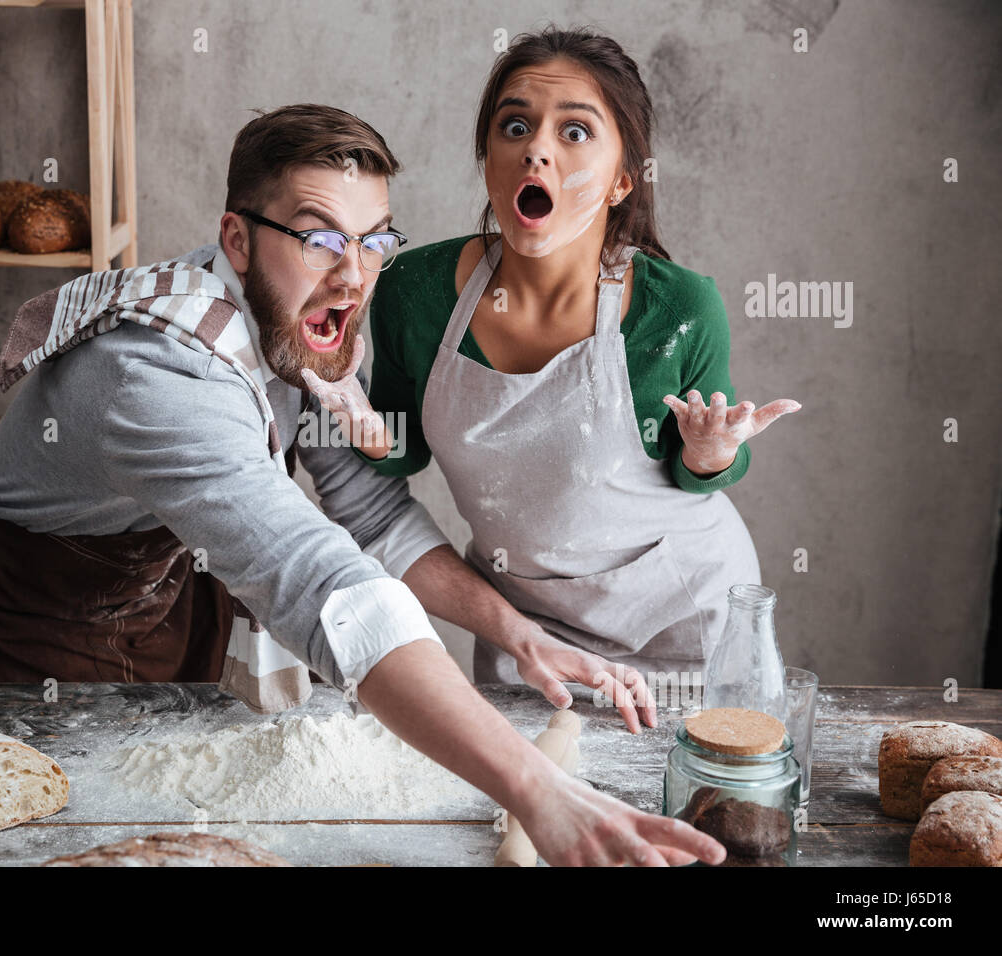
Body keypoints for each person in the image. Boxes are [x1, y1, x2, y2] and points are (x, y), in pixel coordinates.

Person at [0, 103, 725, 866]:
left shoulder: (302, 320)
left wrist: (519, 633)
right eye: (318, 239)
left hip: (177, 570)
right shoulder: (159, 379)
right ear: (235, 241)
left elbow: (369, 512)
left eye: (374, 241)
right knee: (91, 816)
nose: (353, 275)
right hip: (47, 599)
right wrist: (536, 791)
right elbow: (324, 583)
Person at [302, 28, 801, 695]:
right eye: (515, 125)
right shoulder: (412, 292)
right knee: (525, 795)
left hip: (684, 620)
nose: (536, 146)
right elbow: (405, 453)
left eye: (574, 133)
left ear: (623, 178)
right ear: (489, 158)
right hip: (524, 622)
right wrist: (367, 429)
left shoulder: (679, 308)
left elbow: (701, 476)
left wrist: (712, 452)